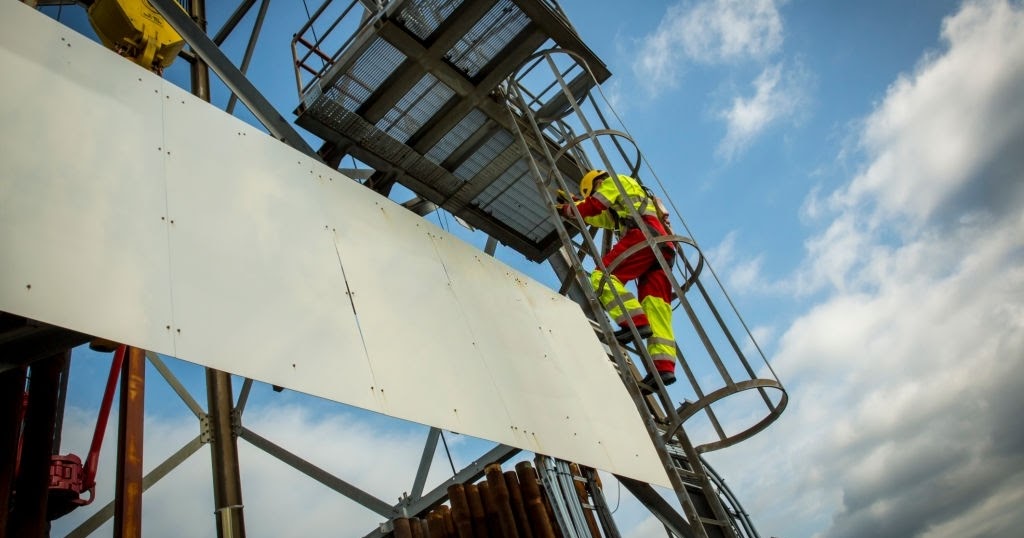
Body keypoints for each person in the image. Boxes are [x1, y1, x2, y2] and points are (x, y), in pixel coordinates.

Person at [557, 170, 678, 391]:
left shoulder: (615, 180)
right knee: (656, 307)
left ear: (598, 182)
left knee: (602, 277)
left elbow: (595, 205)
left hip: (644, 235)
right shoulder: (625, 202)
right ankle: (663, 368)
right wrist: (575, 205)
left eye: (594, 191)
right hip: (664, 246)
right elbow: (598, 216)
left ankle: (634, 323)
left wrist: (567, 209)